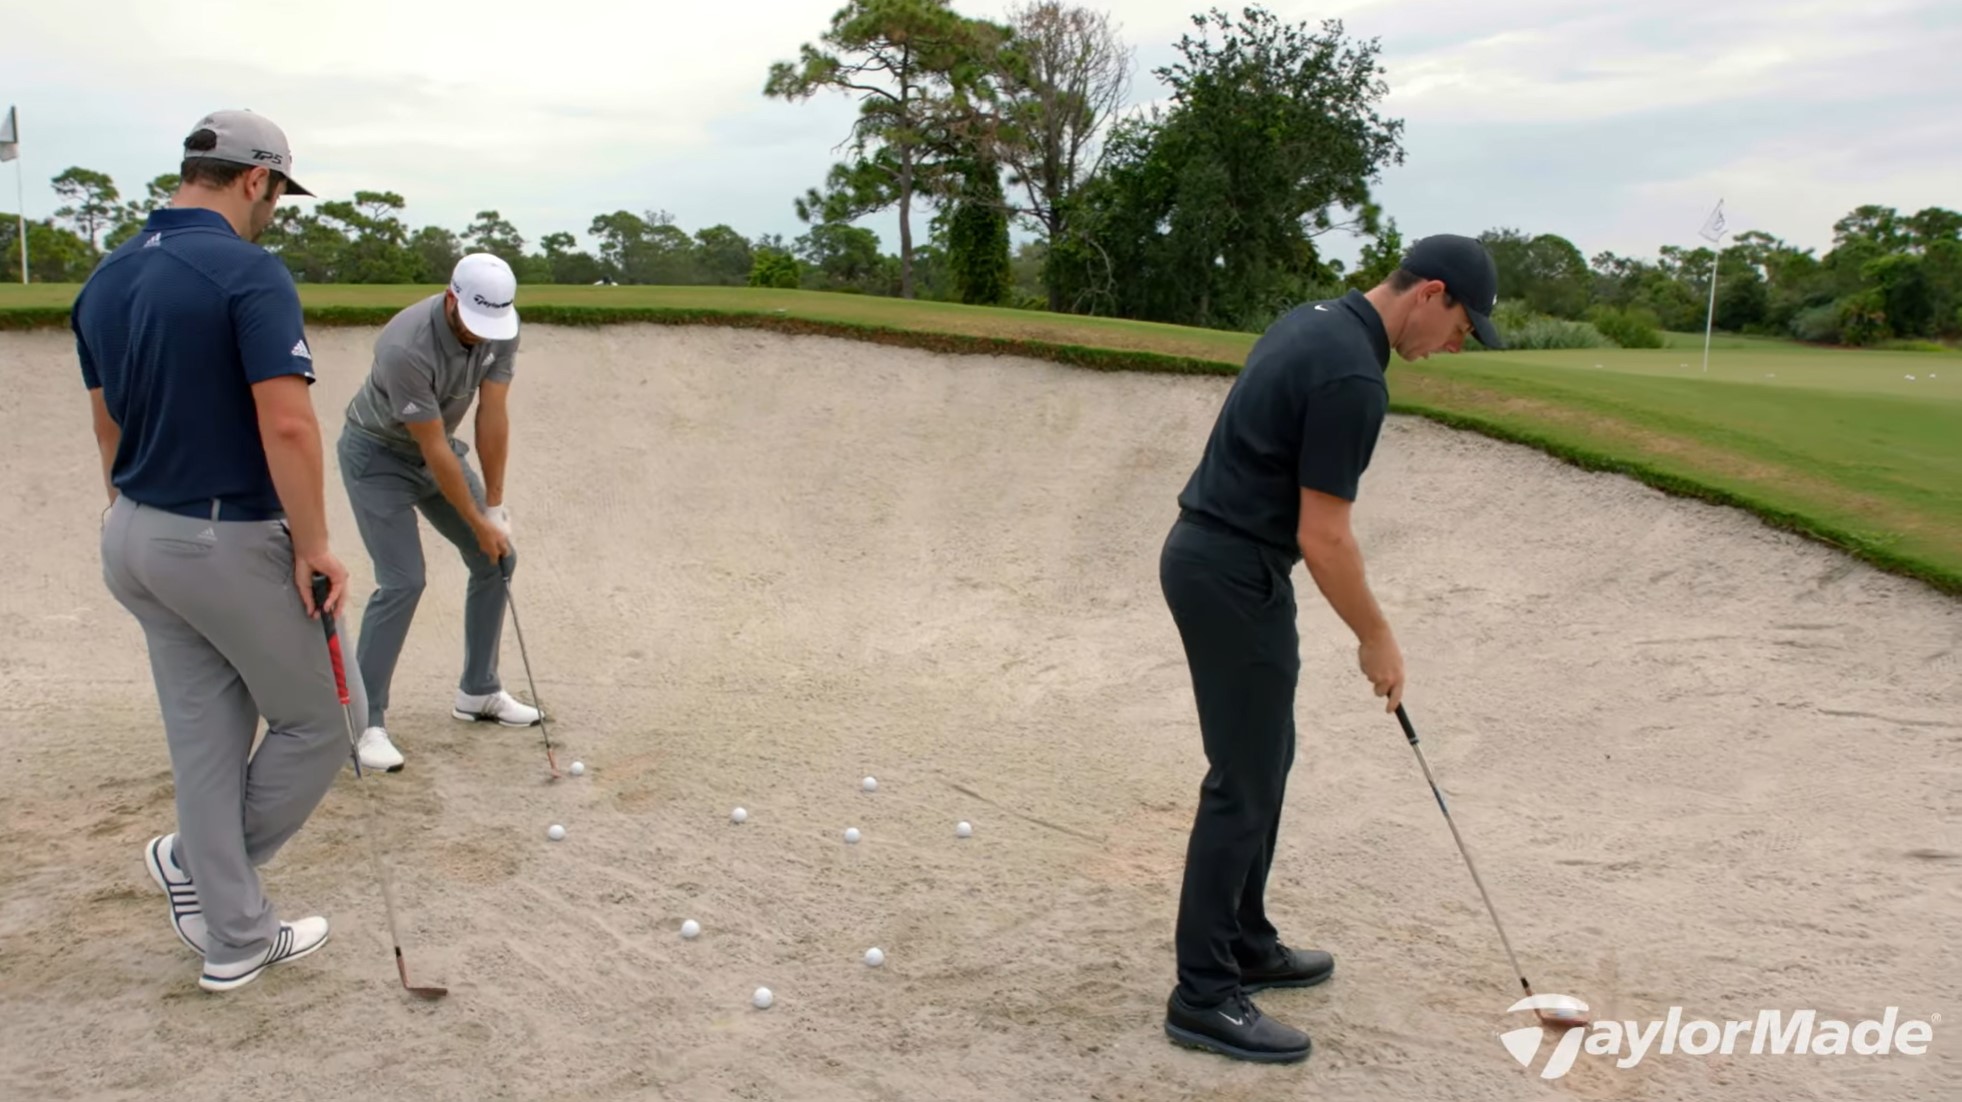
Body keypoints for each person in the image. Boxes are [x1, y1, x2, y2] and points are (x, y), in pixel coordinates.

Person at [1156, 234, 1505, 1063]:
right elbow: (1326, 536)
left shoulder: (1316, 320)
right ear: (1431, 293)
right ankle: (1203, 995)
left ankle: (1246, 941)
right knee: (1241, 781)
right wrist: (1377, 638)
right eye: (1463, 326)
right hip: (1231, 571)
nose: (1457, 345)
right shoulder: (1354, 375)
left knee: (1269, 757)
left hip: (1226, 562)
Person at [75, 109, 359, 992]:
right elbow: (288, 422)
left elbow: (106, 418)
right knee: (328, 718)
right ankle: (204, 871)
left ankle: (233, 937)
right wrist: (315, 545)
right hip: (219, 537)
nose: (275, 207)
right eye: (278, 191)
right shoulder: (249, 273)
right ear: (254, 179)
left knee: (208, 739)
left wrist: (131, 507)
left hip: (134, 535)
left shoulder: (108, 275)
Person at [336, 252, 538, 772]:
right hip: (378, 456)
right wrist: (476, 521)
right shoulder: (406, 346)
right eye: (472, 324)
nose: (480, 336)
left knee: (497, 559)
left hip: (437, 450)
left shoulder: (500, 328)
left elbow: (492, 413)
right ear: (452, 299)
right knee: (403, 580)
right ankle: (364, 723)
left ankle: (478, 691)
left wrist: (493, 507)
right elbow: (431, 450)